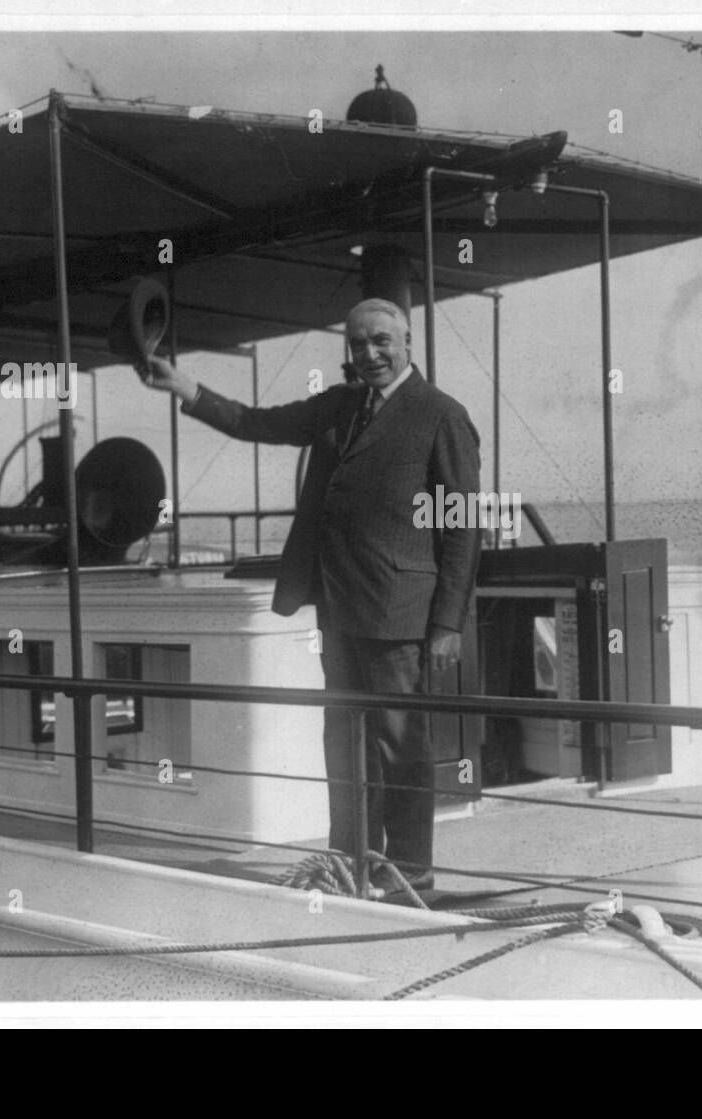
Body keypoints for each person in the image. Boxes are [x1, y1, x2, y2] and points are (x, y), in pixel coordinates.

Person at [141, 298, 481, 895]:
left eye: (381, 341)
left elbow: (462, 528)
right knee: (344, 742)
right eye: (357, 344)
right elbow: (256, 423)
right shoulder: (339, 405)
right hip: (339, 606)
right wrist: (185, 386)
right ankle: (351, 862)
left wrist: (448, 623)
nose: (369, 353)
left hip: (401, 614)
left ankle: (413, 873)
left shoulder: (441, 415)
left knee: (402, 745)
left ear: (407, 342)